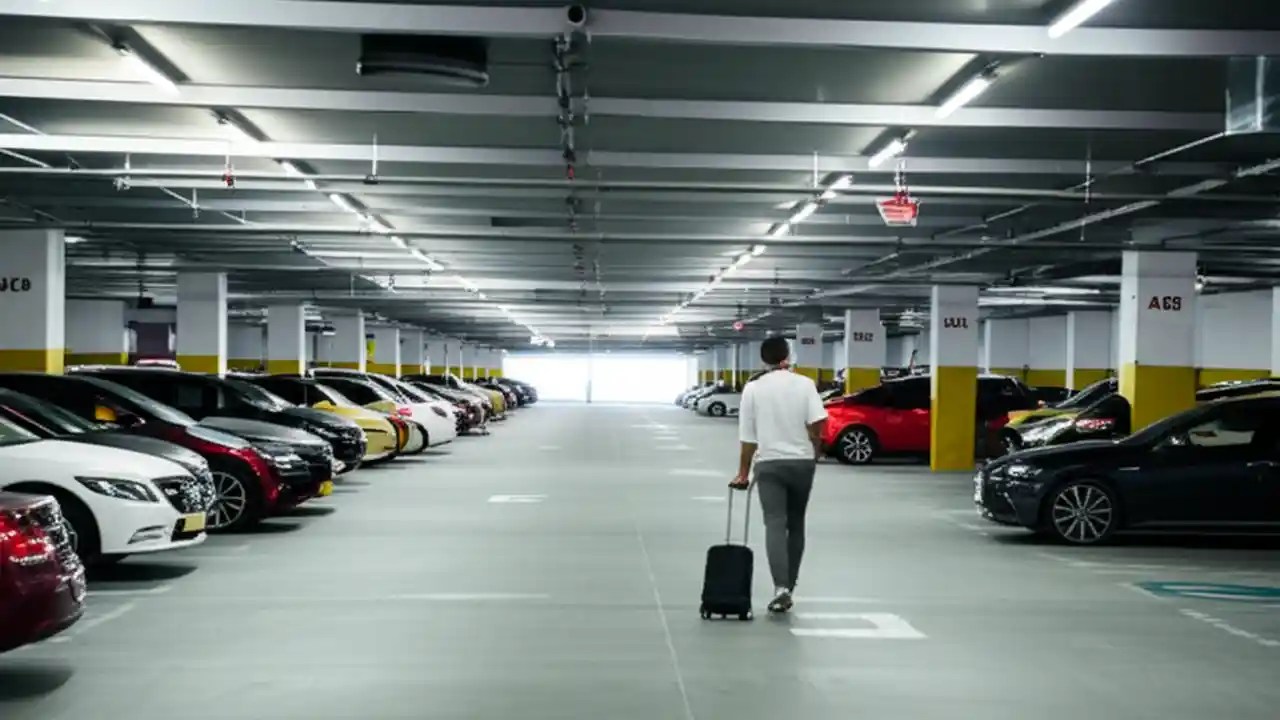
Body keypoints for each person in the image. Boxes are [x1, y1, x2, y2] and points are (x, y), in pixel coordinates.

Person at [731, 336, 827, 613]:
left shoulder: (753, 388)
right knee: (796, 524)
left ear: (764, 360)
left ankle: (780, 587)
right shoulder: (805, 384)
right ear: (788, 356)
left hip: (769, 463)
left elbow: (747, 437)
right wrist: (814, 446)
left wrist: (742, 474)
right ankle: (791, 586)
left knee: (774, 523)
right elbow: (818, 420)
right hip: (801, 463)